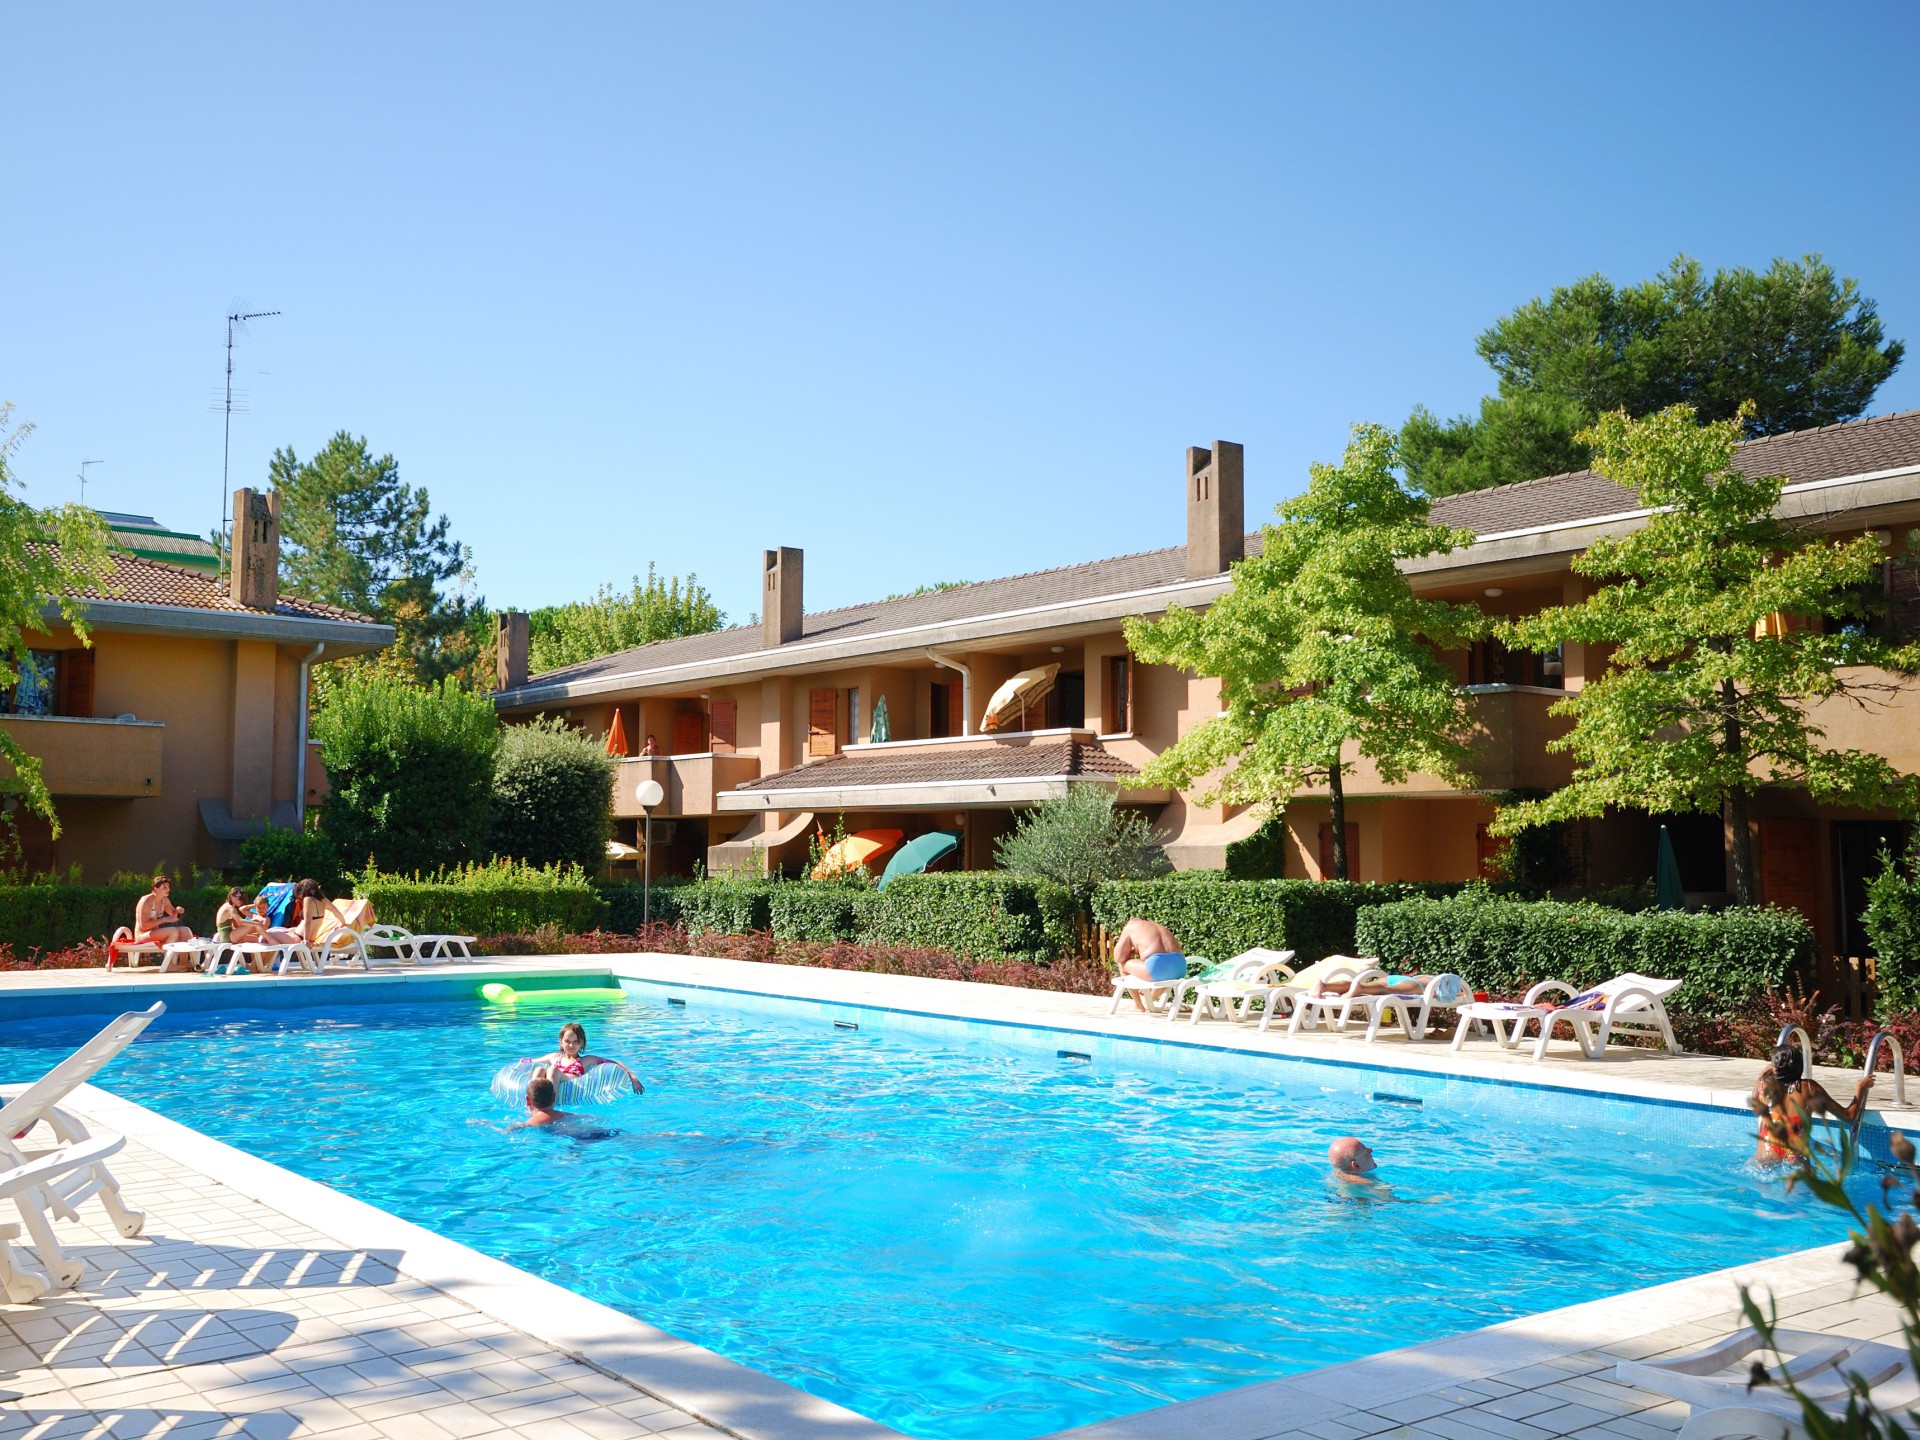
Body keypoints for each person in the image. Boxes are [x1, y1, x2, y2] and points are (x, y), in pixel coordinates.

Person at [1751, 1043, 1873, 1167]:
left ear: (1775, 1067)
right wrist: (1860, 1089)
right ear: (1799, 1065)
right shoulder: (1809, 1088)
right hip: (1796, 1152)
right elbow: (1849, 1116)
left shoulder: (1763, 1085)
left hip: (1769, 1149)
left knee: (1759, 1183)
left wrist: (1763, 1073)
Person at [531, 1021, 644, 1094]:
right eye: (567, 1041)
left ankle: (550, 1107)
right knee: (539, 1070)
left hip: (569, 1083)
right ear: (561, 1041)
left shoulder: (586, 1060)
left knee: (553, 1070)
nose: (571, 1045)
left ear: (581, 1043)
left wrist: (632, 1077)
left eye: (576, 1042)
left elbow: (615, 1062)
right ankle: (531, 1106)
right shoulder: (554, 1057)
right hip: (551, 1081)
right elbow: (531, 1062)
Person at [1111, 916, 1185, 1011]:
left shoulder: (1130, 927)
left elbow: (1118, 957)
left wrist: (1132, 952)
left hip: (1157, 968)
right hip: (1180, 966)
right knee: (1163, 970)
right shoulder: (1156, 925)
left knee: (1122, 964)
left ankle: (1139, 1005)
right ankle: (1148, 1001)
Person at [261, 878, 350, 947]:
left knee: (264, 935)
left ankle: (274, 960)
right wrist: (343, 923)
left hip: (299, 937)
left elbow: (308, 921)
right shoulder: (323, 899)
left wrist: (306, 940)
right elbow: (337, 912)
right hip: (301, 935)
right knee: (275, 929)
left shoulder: (308, 899)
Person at [134, 875, 193, 946]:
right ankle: (167, 956)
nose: (168, 890)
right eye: (165, 887)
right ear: (156, 889)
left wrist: (178, 910)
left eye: (168, 887)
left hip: (155, 932)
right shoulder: (146, 901)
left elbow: (173, 917)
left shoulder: (164, 900)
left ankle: (185, 957)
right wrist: (163, 920)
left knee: (185, 931)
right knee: (173, 931)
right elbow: (144, 926)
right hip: (142, 934)